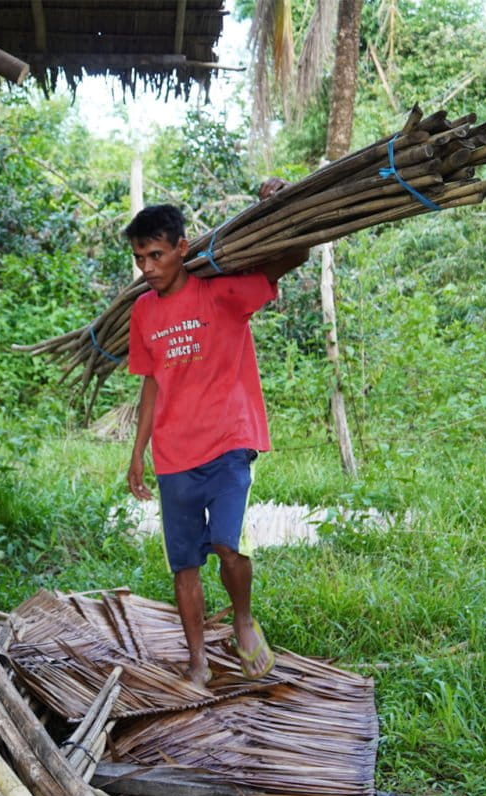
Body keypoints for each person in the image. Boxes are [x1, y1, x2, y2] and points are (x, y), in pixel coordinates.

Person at [125, 178, 308, 687]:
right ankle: (197, 660)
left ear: (183, 248)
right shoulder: (143, 313)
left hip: (229, 442)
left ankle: (243, 620)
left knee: (229, 546)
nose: (147, 268)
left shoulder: (222, 291)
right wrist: (137, 454)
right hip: (174, 454)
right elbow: (150, 386)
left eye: (156, 255)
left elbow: (294, 257)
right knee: (184, 566)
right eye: (140, 258)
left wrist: (282, 205)